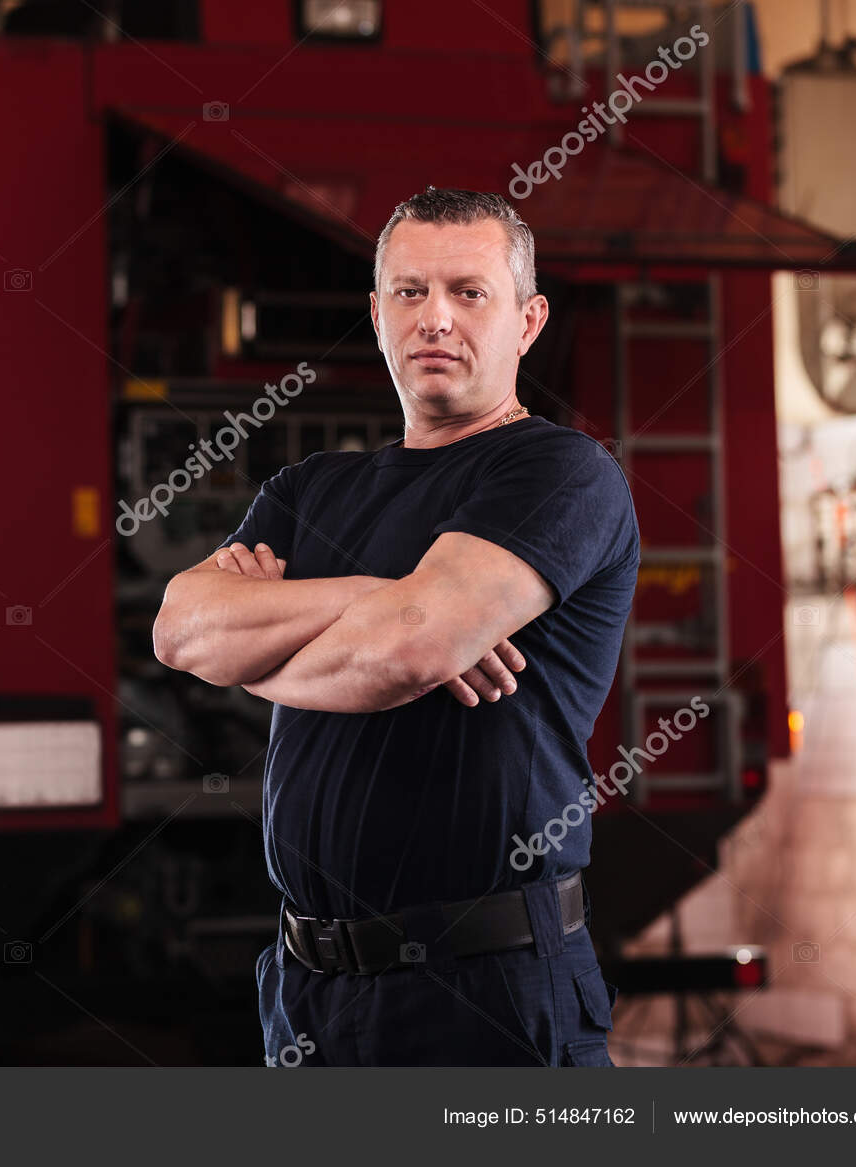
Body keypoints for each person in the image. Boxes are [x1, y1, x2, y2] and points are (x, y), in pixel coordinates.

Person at [151, 188, 640, 1066]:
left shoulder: (563, 472)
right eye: (410, 293)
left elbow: (407, 649)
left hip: (485, 986)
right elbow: (183, 631)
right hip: (309, 992)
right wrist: (389, 594)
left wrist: (264, 650)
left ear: (528, 322)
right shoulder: (308, 490)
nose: (436, 318)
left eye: (469, 292)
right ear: (377, 316)